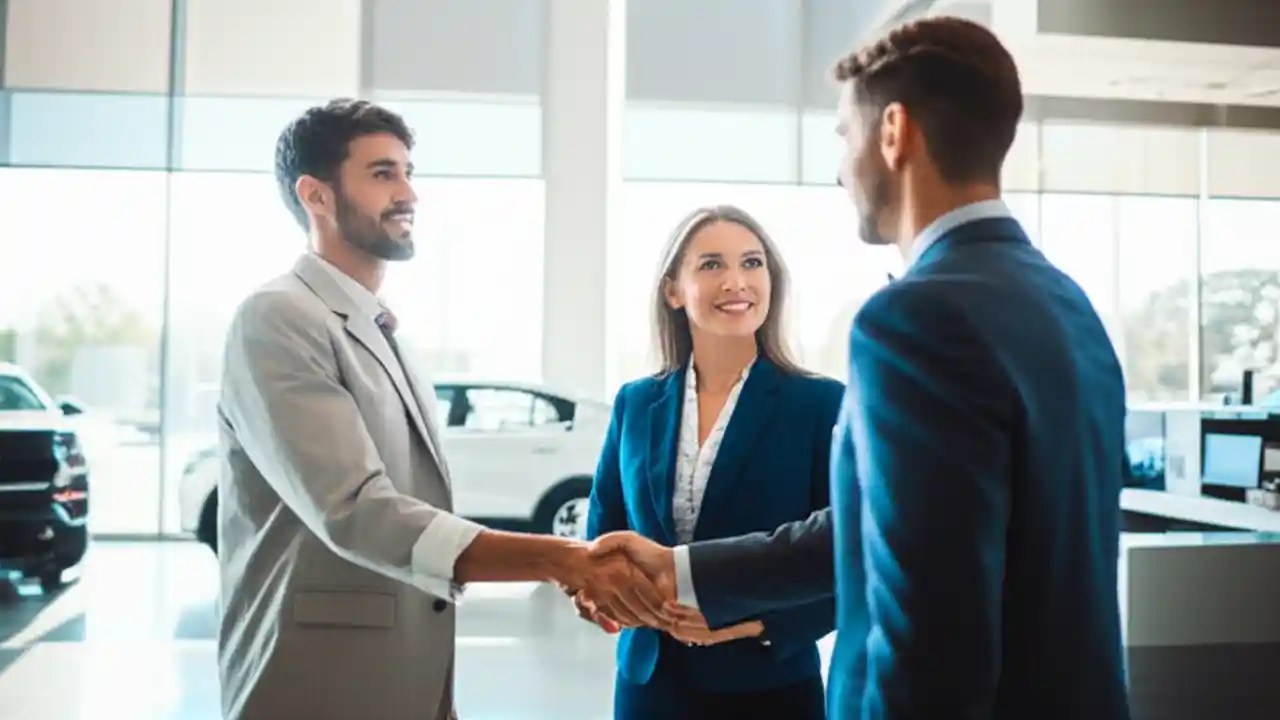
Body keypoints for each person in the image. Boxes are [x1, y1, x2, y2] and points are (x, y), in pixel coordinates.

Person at [591, 16, 1132, 720]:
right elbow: (883, 526)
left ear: (894, 132)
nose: (842, 169)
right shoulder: (1066, 301)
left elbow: (927, 619)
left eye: (845, 138)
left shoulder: (915, 319)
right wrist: (683, 571)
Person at [215, 99, 663, 720]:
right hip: (318, 682)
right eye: (382, 174)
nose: (409, 194)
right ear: (315, 195)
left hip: (406, 678)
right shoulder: (278, 316)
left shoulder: (381, 328)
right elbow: (354, 509)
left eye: (407, 171)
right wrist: (563, 559)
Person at [581, 205, 843, 719]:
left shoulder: (820, 404)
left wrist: (759, 625)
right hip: (649, 684)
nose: (736, 281)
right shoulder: (636, 403)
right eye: (711, 265)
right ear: (673, 291)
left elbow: (850, 553)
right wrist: (596, 593)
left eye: (751, 263)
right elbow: (603, 536)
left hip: (769, 684)